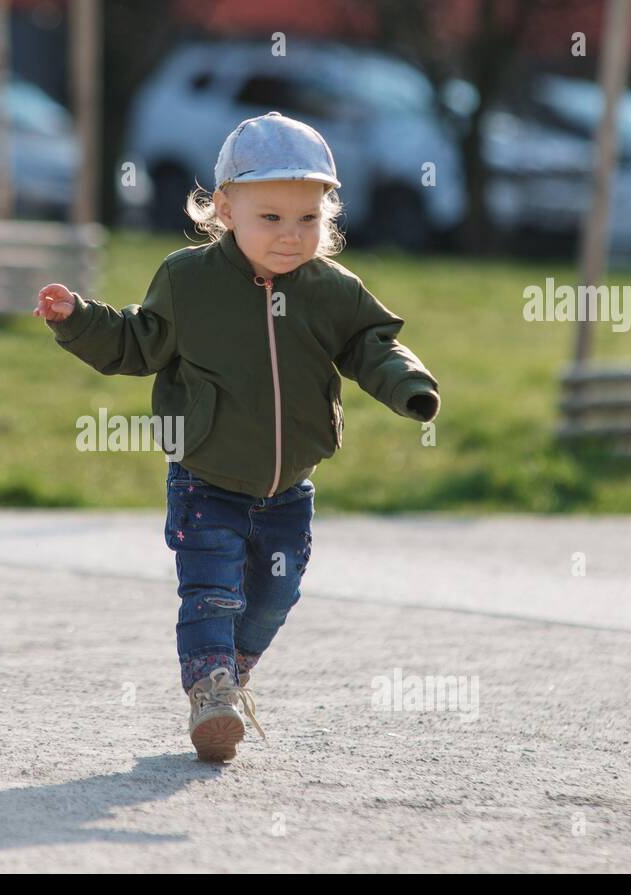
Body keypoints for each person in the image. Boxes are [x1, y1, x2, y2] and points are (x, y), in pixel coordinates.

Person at [34, 111, 441, 762]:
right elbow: (137, 341)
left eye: (309, 218)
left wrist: (409, 387)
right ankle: (209, 690)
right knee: (212, 588)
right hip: (206, 476)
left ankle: (235, 665)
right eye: (271, 218)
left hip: (289, 488)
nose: (291, 235)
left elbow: (373, 346)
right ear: (224, 208)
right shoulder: (189, 280)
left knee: (275, 594)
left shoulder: (332, 291)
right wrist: (77, 319)